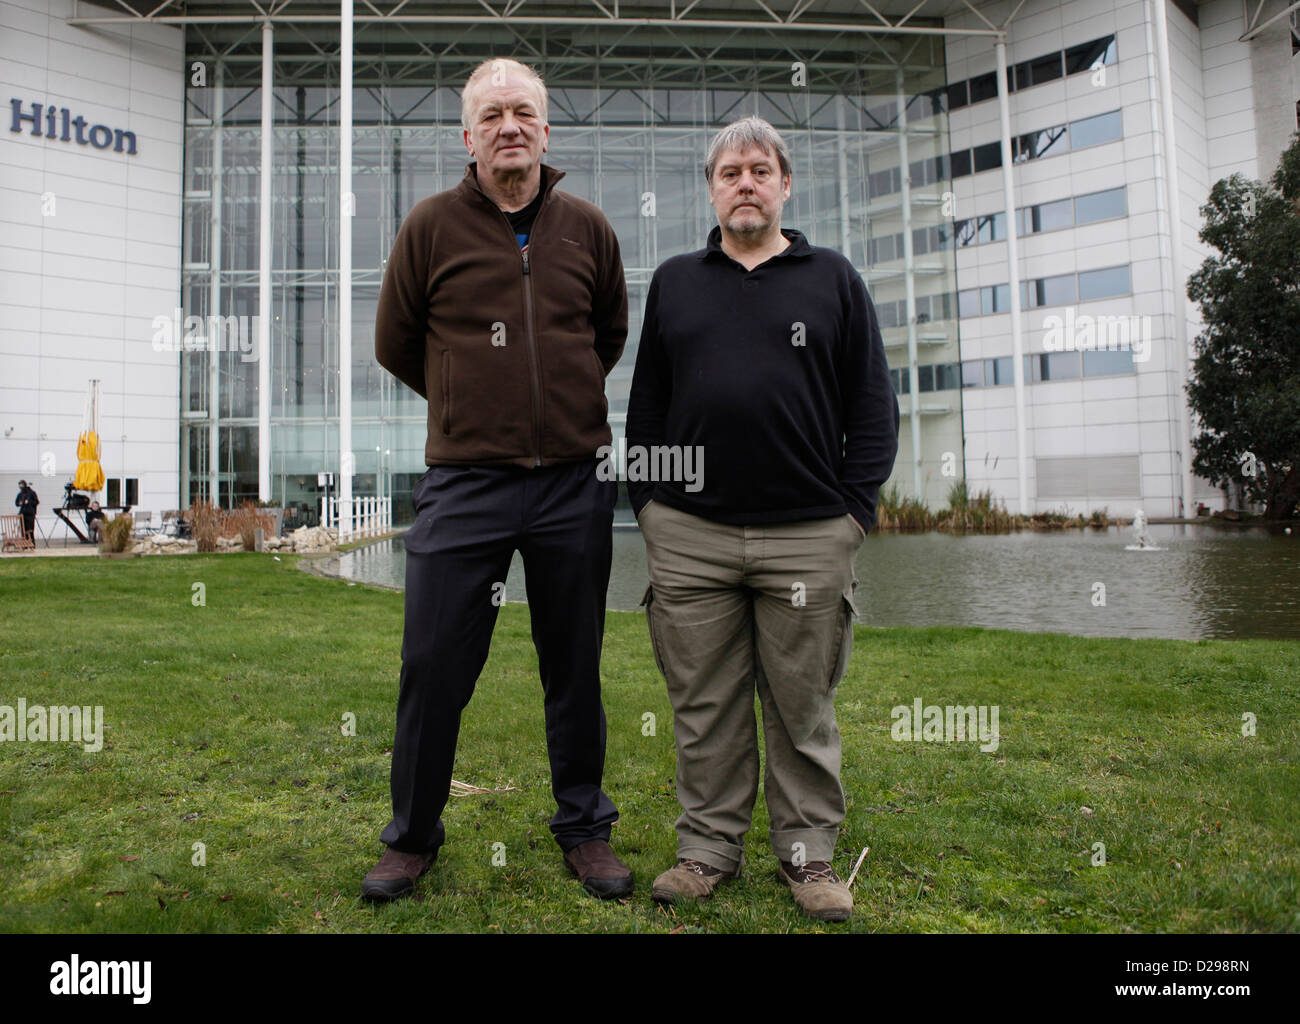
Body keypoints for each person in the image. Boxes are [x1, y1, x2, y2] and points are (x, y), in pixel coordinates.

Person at [365, 58, 630, 903]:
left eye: (524, 112)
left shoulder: (587, 228)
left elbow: (607, 335)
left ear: (546, 132)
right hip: (465, 485)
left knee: (574, 662)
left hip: (571, 485)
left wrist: (555, 407)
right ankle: (411, 837)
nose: (508, 126)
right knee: (433, 663)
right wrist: (467, 404)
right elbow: (396, 343)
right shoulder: (430, 226)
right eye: (492, 115)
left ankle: (585, 828)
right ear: (468, 136)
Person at [625, 116, 900, 922]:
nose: (744, 182)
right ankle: (707, 852)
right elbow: (646, 407)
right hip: (690, 535)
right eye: (729, 172)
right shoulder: (676, 281)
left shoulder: (834, 278)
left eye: (759, 169)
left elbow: (873, 408)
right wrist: (648, 506)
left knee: (801, 704)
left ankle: (810, 860)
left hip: (810, 534)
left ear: (784, 185)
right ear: (711, 190)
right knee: (704, 703)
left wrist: (852, 513)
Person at [14, 480, 38, 545]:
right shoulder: (20, 494)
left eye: (21, 485)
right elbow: (16, 503)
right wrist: (20, 503)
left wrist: (29, 502)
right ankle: (25, 543)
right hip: (22, 513)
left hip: (30, 514)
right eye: (19, 486)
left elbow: (36, 502)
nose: (20, 487)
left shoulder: (32, 493)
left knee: (30, 529)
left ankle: (31, 543)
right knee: (23, 530)